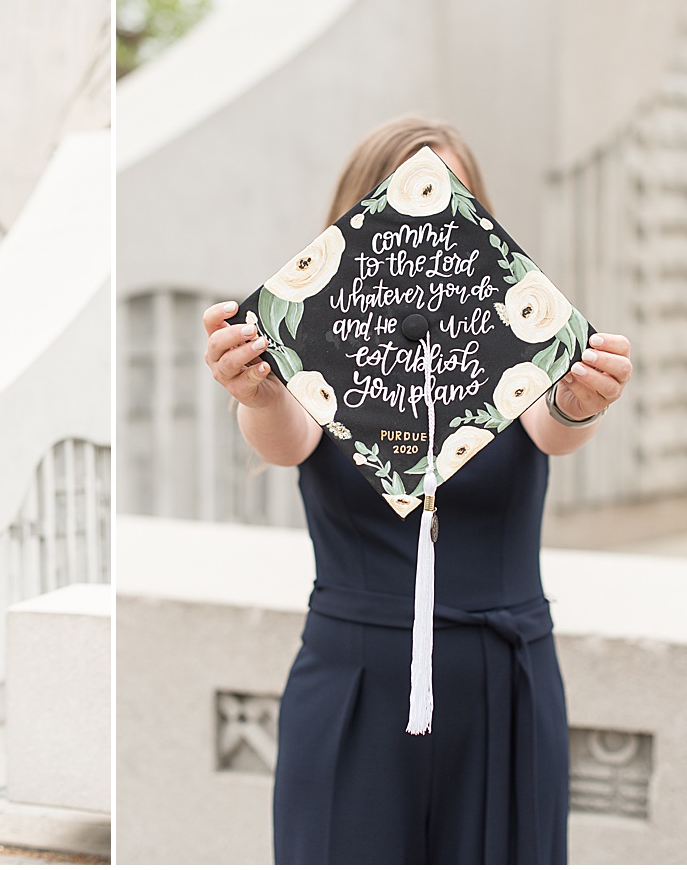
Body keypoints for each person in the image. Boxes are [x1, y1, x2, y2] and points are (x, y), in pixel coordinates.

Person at [203, 117, 633, 864]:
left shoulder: (518, 335)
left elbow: (557, 422)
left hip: (507, 684)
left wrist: (582, 400)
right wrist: (258, 390)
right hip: (353, 682)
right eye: (406, 197)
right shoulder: (318, 341)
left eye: (450, 195)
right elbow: (283, 437)